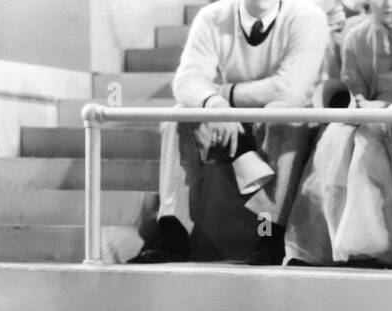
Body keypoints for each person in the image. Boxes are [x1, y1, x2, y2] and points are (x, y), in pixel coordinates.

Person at [130, 0, 331, 266]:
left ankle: (270, 235)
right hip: (230, 120)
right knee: (180, 116)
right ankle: (172, 233)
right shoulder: (212, 16)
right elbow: (186, 80)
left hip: (279, 123)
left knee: (282, 112)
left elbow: (290, 88)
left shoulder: (307, 15)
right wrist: (214, 106)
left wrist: (222, 96)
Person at [284, 0, 392, 266]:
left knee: (372, 136)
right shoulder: (356, 38)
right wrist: (358, 104)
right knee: (334, 136)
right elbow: (353, 88)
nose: (389, 4)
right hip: (367, 115)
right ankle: (315, 246)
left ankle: (374, 245)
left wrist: (384, 107)